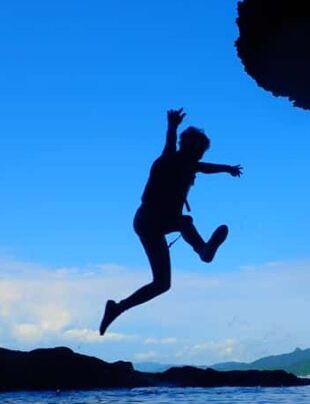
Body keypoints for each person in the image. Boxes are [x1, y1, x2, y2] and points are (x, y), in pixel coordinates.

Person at [100, 108, 242, 335]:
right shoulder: (168, 160)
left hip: (150, 225)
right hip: (150, 219)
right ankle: (203, 251)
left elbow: (205, 168)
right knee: (184, 222)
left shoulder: (191, 164)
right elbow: (170, 146)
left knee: (162, 284)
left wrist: (227, 169)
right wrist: (172, 126)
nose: (200, 158)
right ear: (188, 148)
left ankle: (117, 308)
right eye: (199, 152)